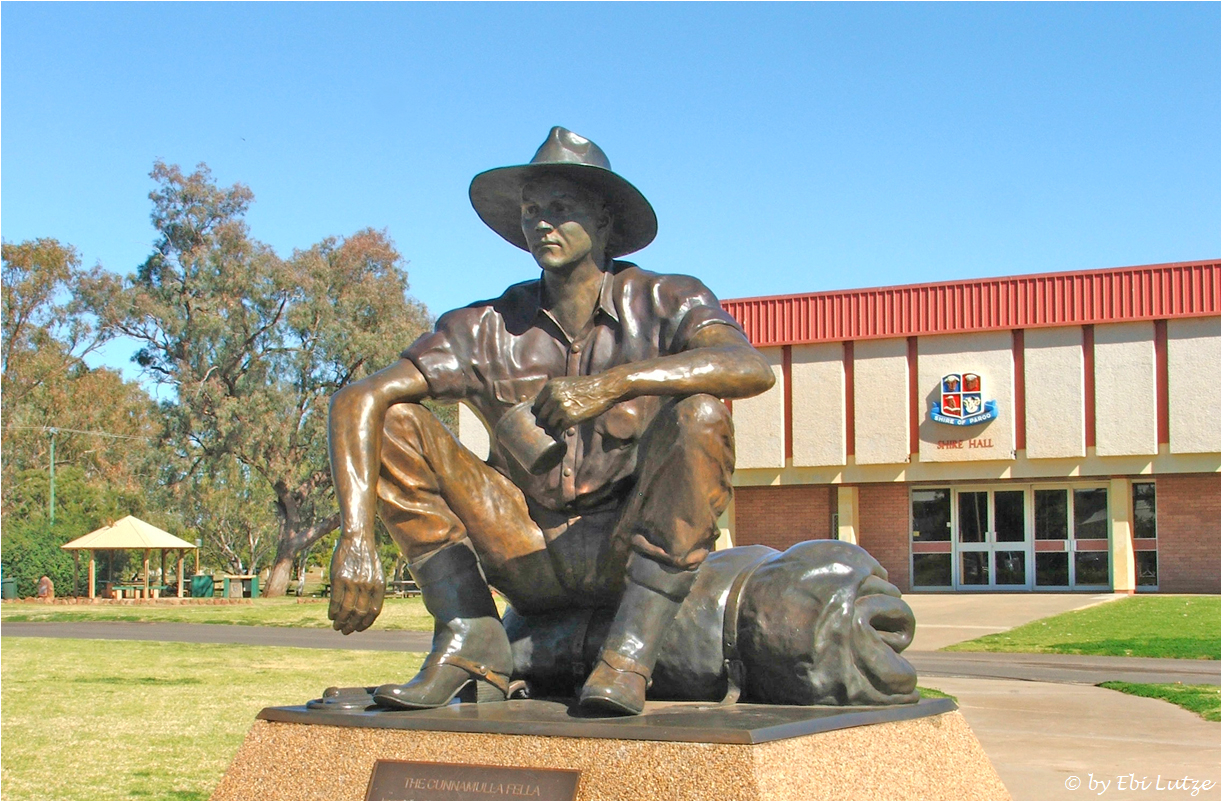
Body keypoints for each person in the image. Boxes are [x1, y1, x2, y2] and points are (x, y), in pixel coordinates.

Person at [326, 127, 774, 715]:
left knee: (702, 412)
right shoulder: (484, 325)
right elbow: (358, 398)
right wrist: (356, 537)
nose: (542, 224)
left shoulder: (667, 299)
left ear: (605, 220)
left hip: (625, 552)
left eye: (561, 208)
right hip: (523, 549)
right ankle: (469, 639)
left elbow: (749, 366)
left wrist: (614, 384)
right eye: (532, 211)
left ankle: (627, 657)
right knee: (393, 418)